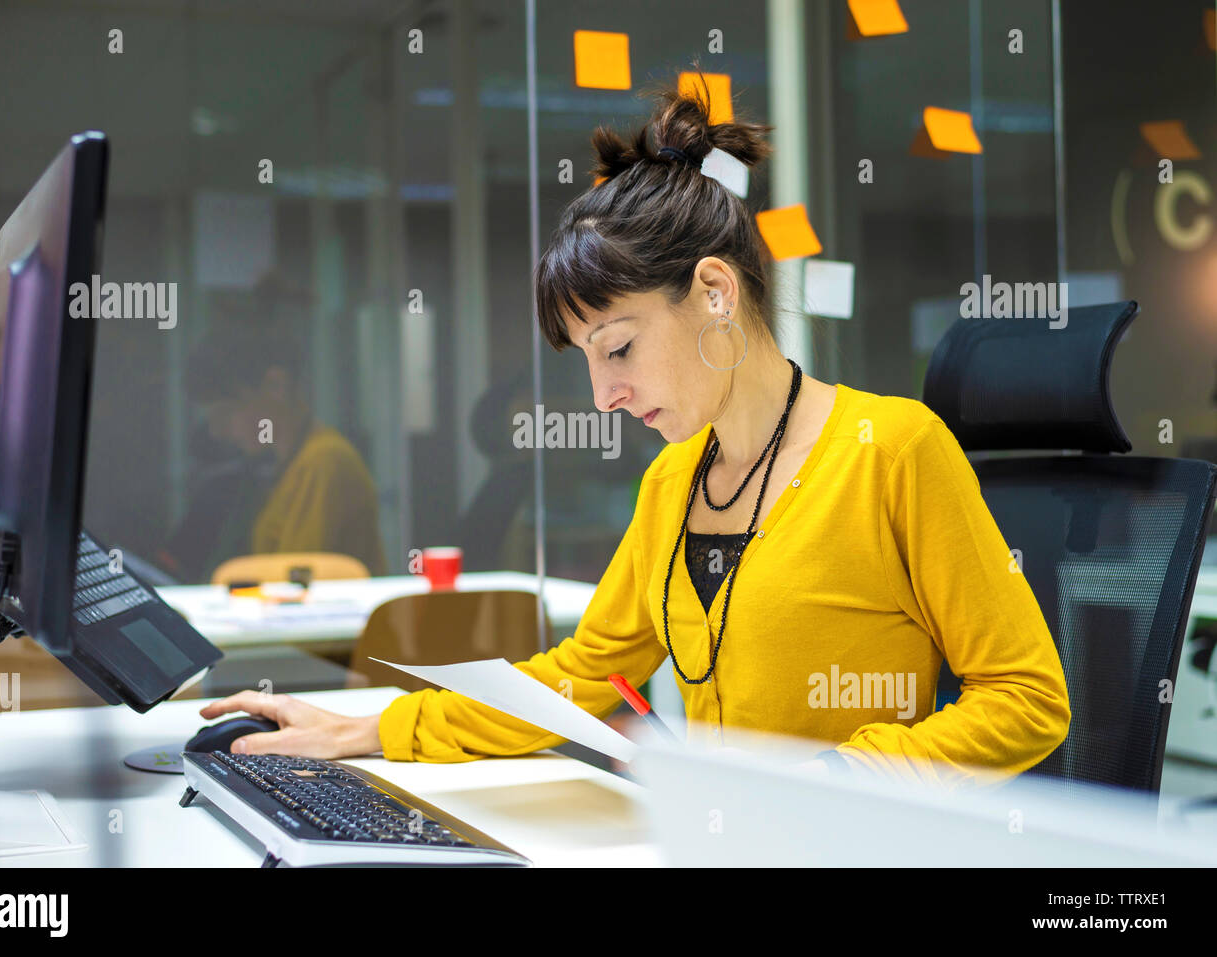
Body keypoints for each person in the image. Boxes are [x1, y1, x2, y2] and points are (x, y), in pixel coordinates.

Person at [199, 75, 1071, 788]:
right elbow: (580, 676)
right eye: (586, 357)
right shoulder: (676, 481)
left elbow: (1028, 698)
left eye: (618, 347)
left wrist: (839, 777)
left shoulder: (896, 451)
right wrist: (369, 727)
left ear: (717, 293)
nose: (604, 395)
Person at [164, 324, 388, 581]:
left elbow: (289, 582)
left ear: (275, 385)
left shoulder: (323, 461)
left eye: (227, 412)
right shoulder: (289, 463)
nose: (217, 431)